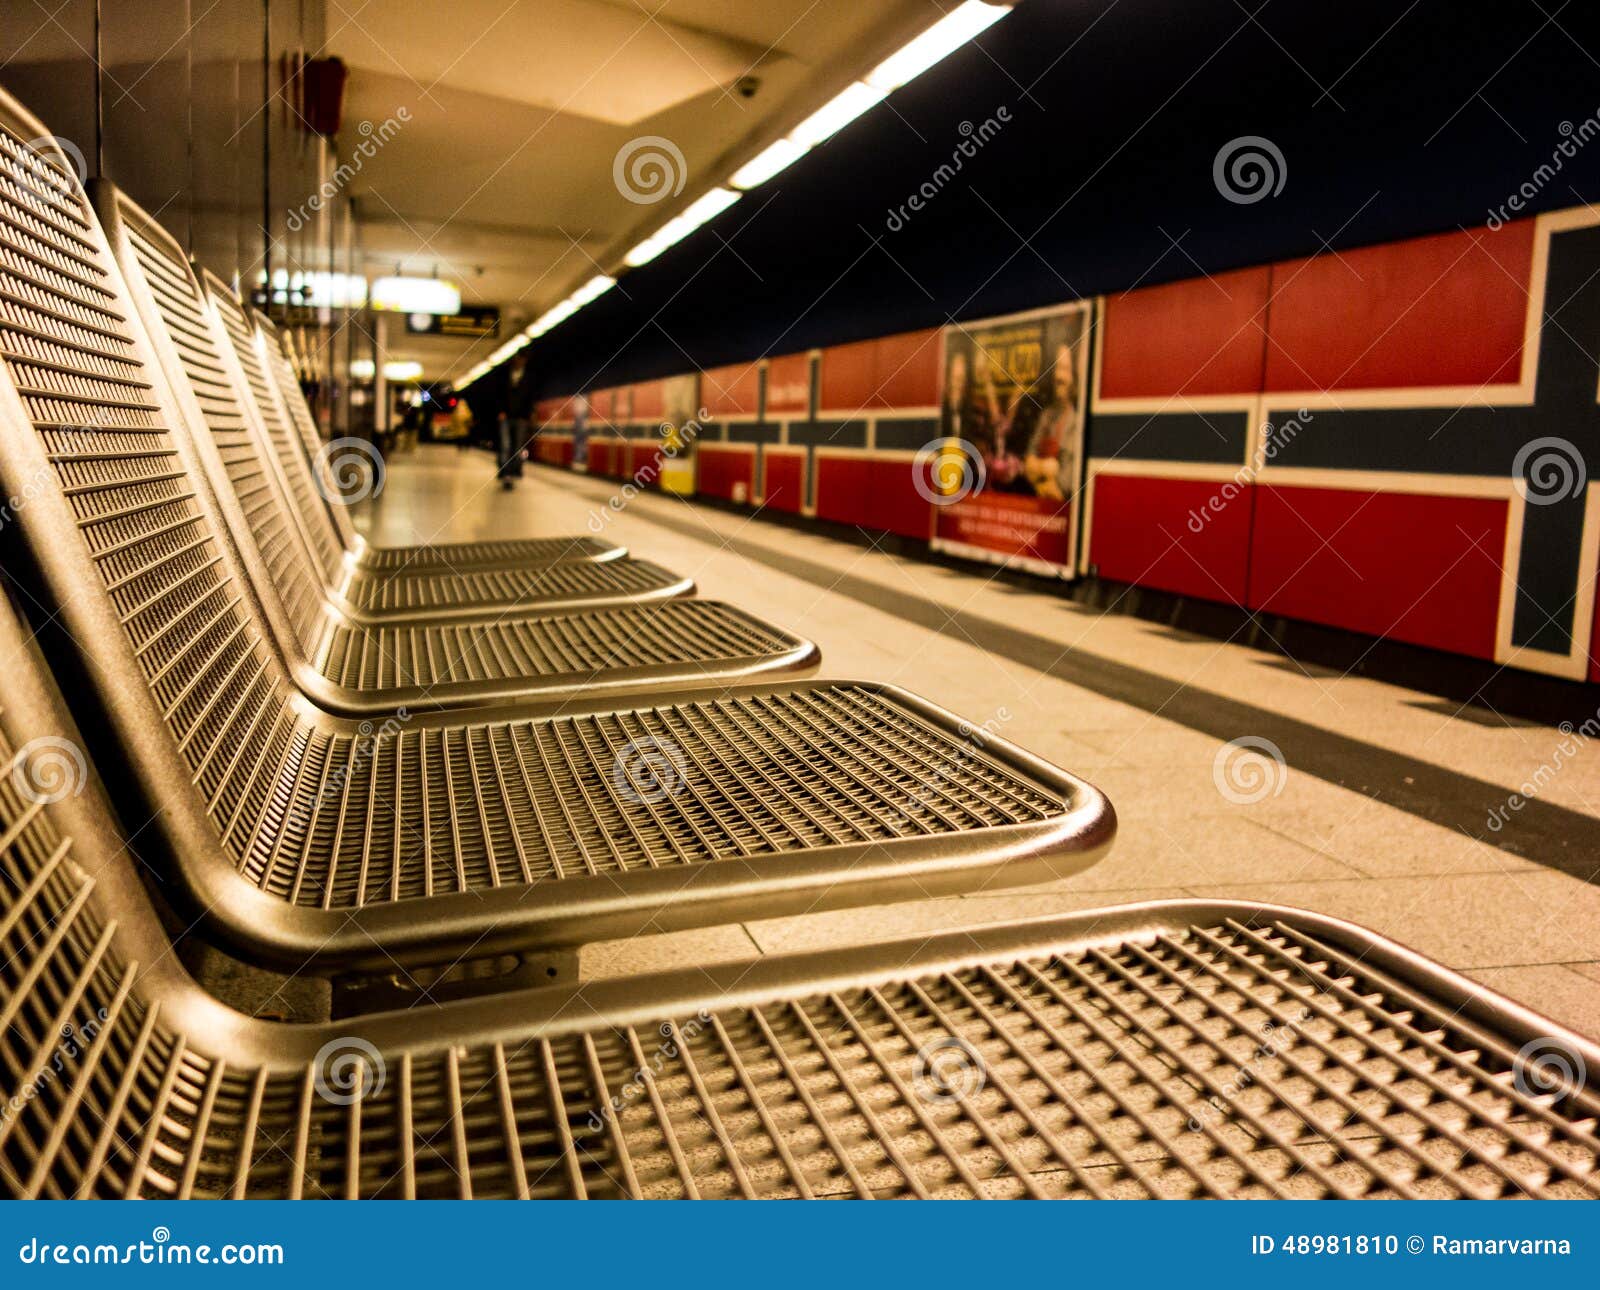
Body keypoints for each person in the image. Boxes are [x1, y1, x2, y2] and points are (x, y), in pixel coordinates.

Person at [500, 356, 533, 489]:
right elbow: (498, 395)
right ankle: (505, 471)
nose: (519, 362)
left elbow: (530, 397)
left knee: (518, 447)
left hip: (521, 417)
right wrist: (500, 411)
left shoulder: (528, 378)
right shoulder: (504, 376)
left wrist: (527, 415)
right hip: (506, 416)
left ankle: (515, 470)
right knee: (506, 445)